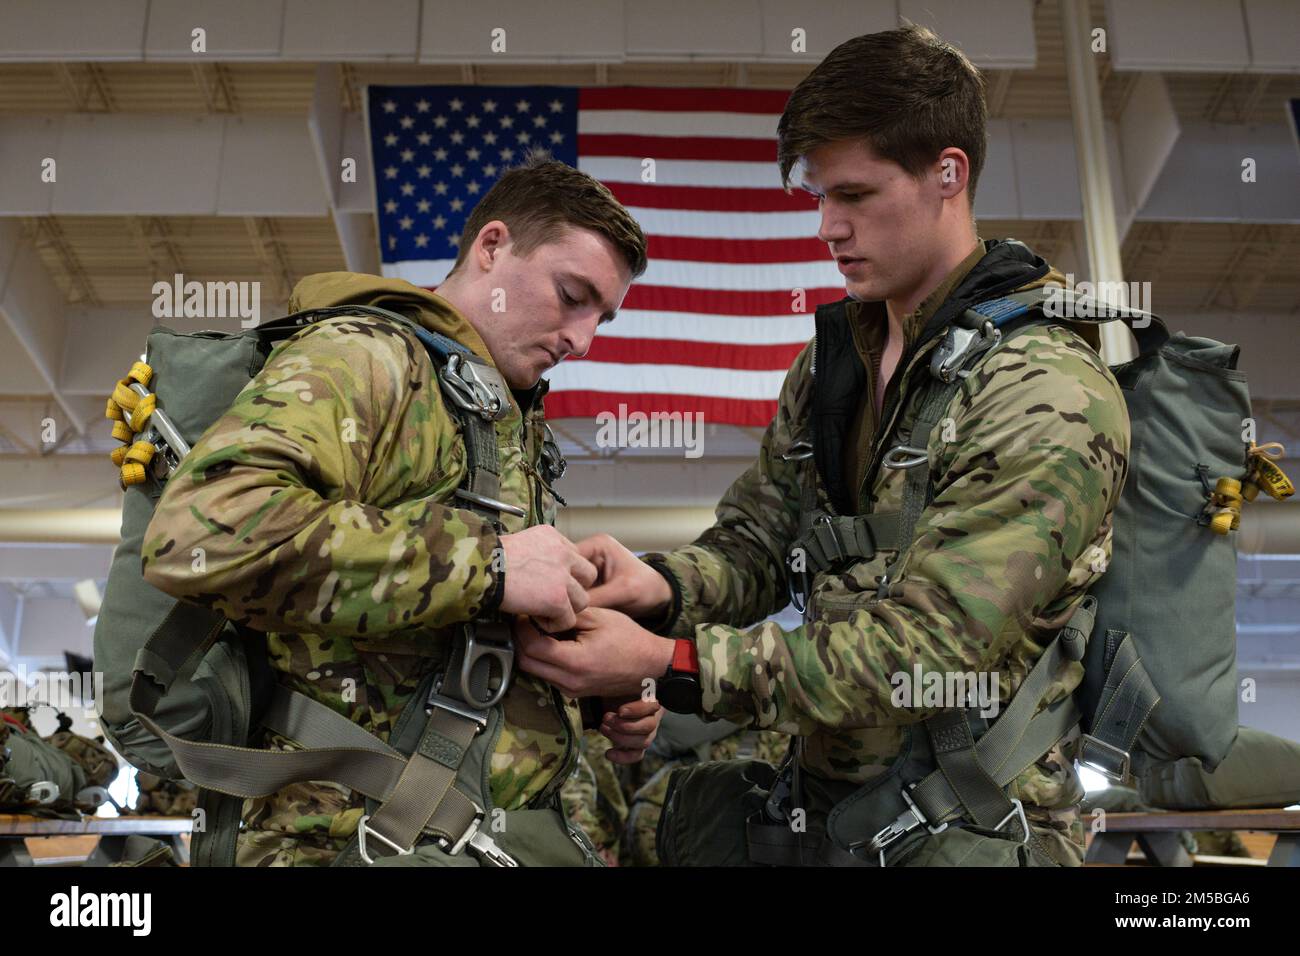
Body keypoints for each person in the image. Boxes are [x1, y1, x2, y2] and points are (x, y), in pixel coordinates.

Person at [513, 26, 1131, 867]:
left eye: (855, 194)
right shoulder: (836, 361)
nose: (828, 227)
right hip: (830, 811)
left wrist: (673, 661)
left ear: (948, 173)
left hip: (973, 826)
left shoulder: (1045, 389)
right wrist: (658, 587)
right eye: (816, 197)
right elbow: (760, 542)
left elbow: (936, 646)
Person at [141, 157, 661, 866]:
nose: (583, 339)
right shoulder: (369, 358)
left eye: (601, 316)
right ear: (491, 246)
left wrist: (584, 696)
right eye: (572, 295)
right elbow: (200, 532)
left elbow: (419, 643)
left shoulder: (486, 410)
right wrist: (492, 564)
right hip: (340, 846)